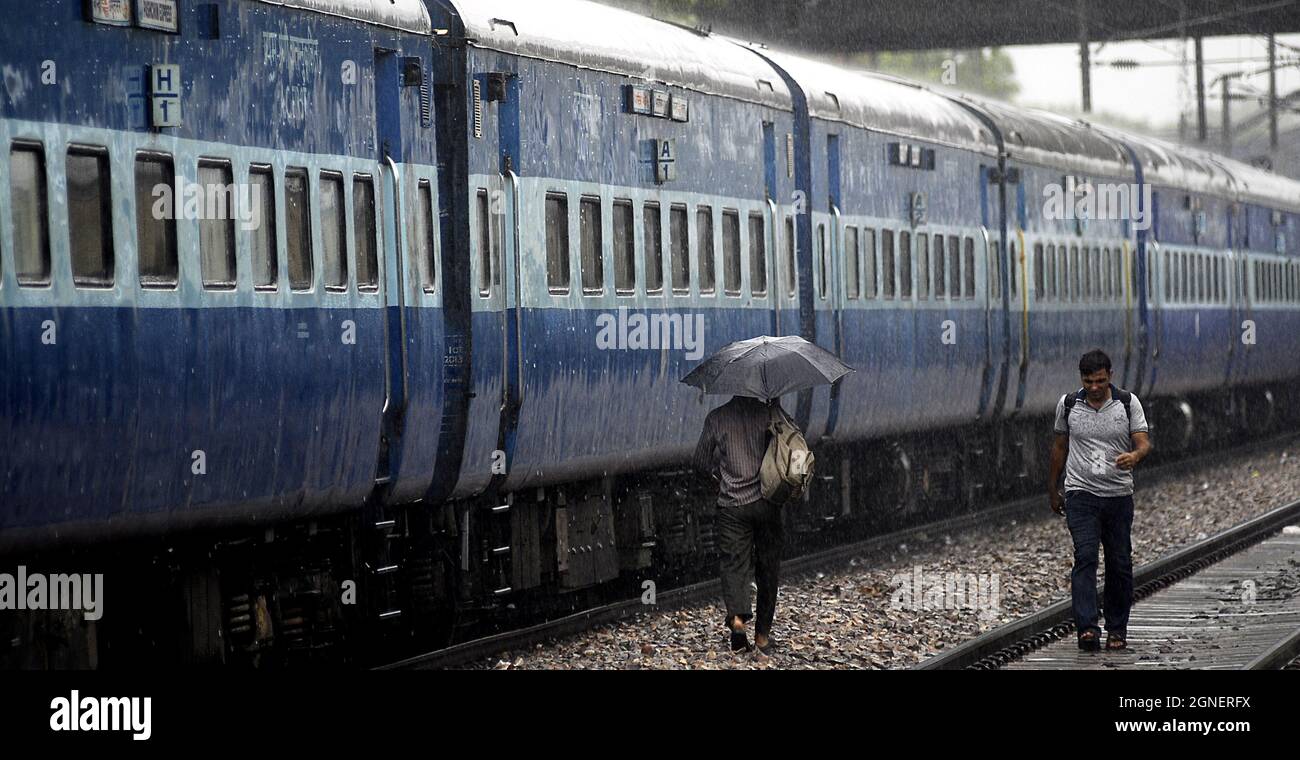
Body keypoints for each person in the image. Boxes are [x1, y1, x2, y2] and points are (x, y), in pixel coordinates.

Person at [1047, 349, 1152, 652]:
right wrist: (1053, 489)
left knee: (1119, 563)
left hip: (1118, 496)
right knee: (1085, 557)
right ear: (1081, 379)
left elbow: (1143, 442)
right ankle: (1087, 628)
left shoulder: (1127, 403)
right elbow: (1059, 447)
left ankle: (1117, 628)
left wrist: (1134, 455)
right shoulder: (1068, 405)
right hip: (1081, 494)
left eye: (1100, 381)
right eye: (1089, 381)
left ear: (1110, 377)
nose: (1094, 387)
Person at [693, 394, 785, 655]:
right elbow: (790, 447)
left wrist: (717, 481)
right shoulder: (769, 415)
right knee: (767, 568)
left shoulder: (717, 418)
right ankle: (763, 638)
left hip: (732, 506)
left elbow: (699, 462)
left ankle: (737, 621)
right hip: (767, 504)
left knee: (734, 564)